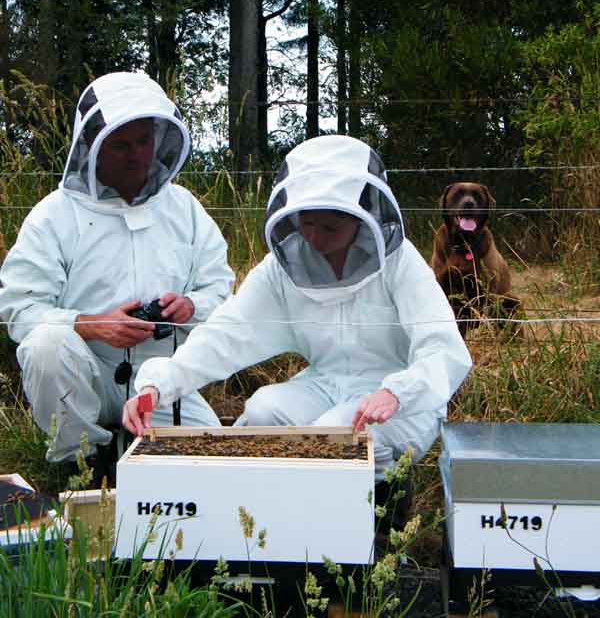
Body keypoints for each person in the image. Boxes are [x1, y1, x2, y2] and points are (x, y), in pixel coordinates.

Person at [123, 135, 472, 490]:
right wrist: (159, 385)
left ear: (361, 217)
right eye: (307, 224)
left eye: (330, 228)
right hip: (324, 383)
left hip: (402, 400)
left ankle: (385, 505)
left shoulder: (399, 262)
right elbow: (226, 334)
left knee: (340, 432)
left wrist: (397, 392)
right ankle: (272, 514)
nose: (315, 239)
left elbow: (445, 350)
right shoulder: (281, 269)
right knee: (262, 411)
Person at [0, 71, 234, 466]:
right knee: (46, 345)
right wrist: (92, 324)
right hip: (84, 372)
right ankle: (82, 461)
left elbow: (220, 288)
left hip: (159, 380)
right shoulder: (54, 216)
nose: (137, 155)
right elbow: (20, 310)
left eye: (144, 141)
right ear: (91, 144)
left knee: (212, 461)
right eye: (121, 145)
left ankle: (134, 441)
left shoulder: (185, 209)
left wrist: (191, 306)